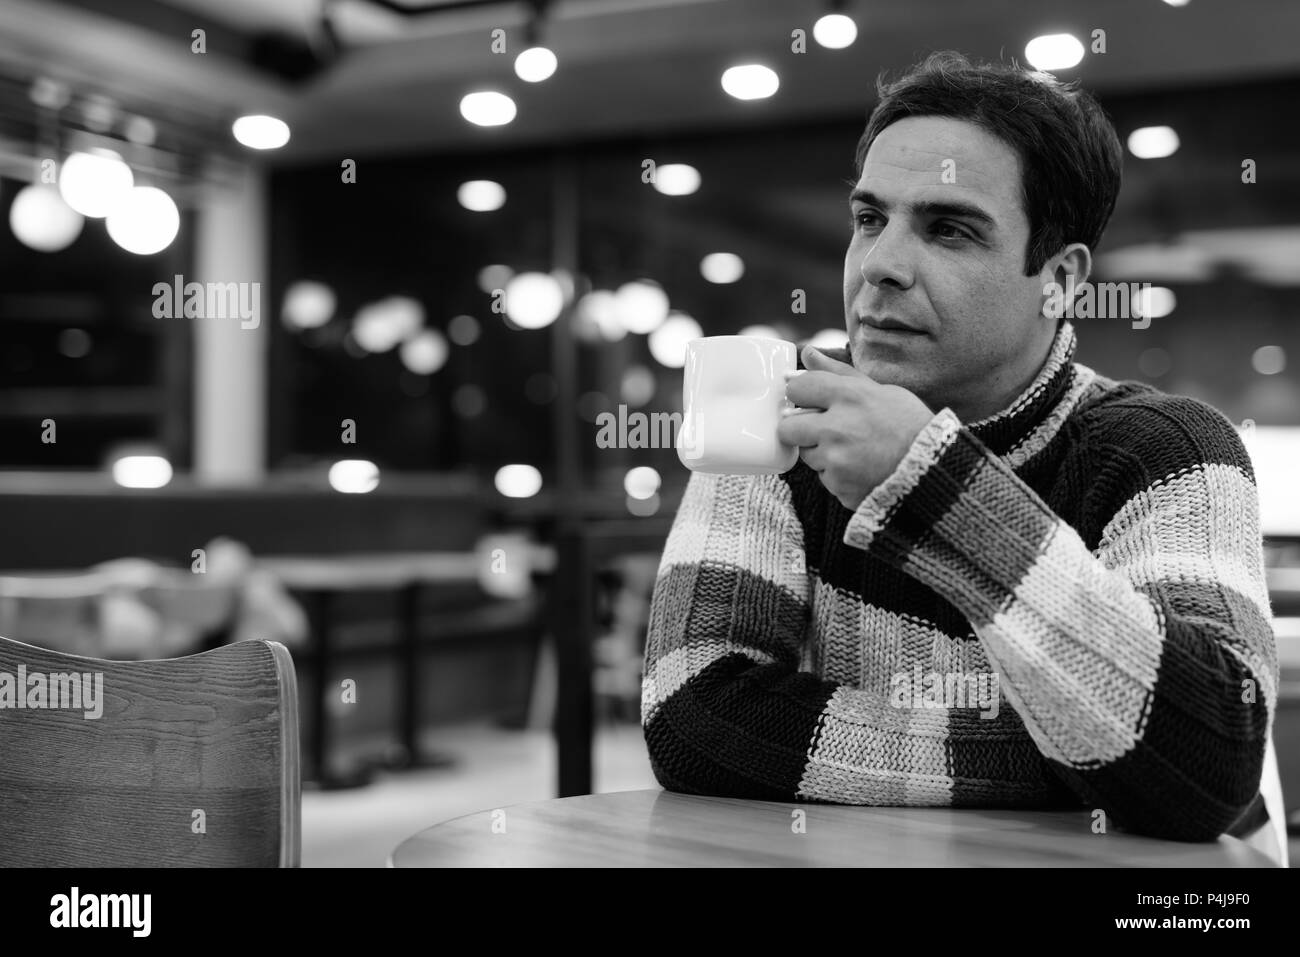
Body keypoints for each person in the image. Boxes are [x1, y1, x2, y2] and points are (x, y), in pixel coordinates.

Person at [640, 51, 1278, 842]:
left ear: (1061, 277)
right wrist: (1080, 761)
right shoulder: (779, 428)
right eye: (870, 218)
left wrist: (930, 483)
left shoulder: (1170, 452)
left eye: (948, 229)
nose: (879, 266)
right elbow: (694, 714)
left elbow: (1212, 756)